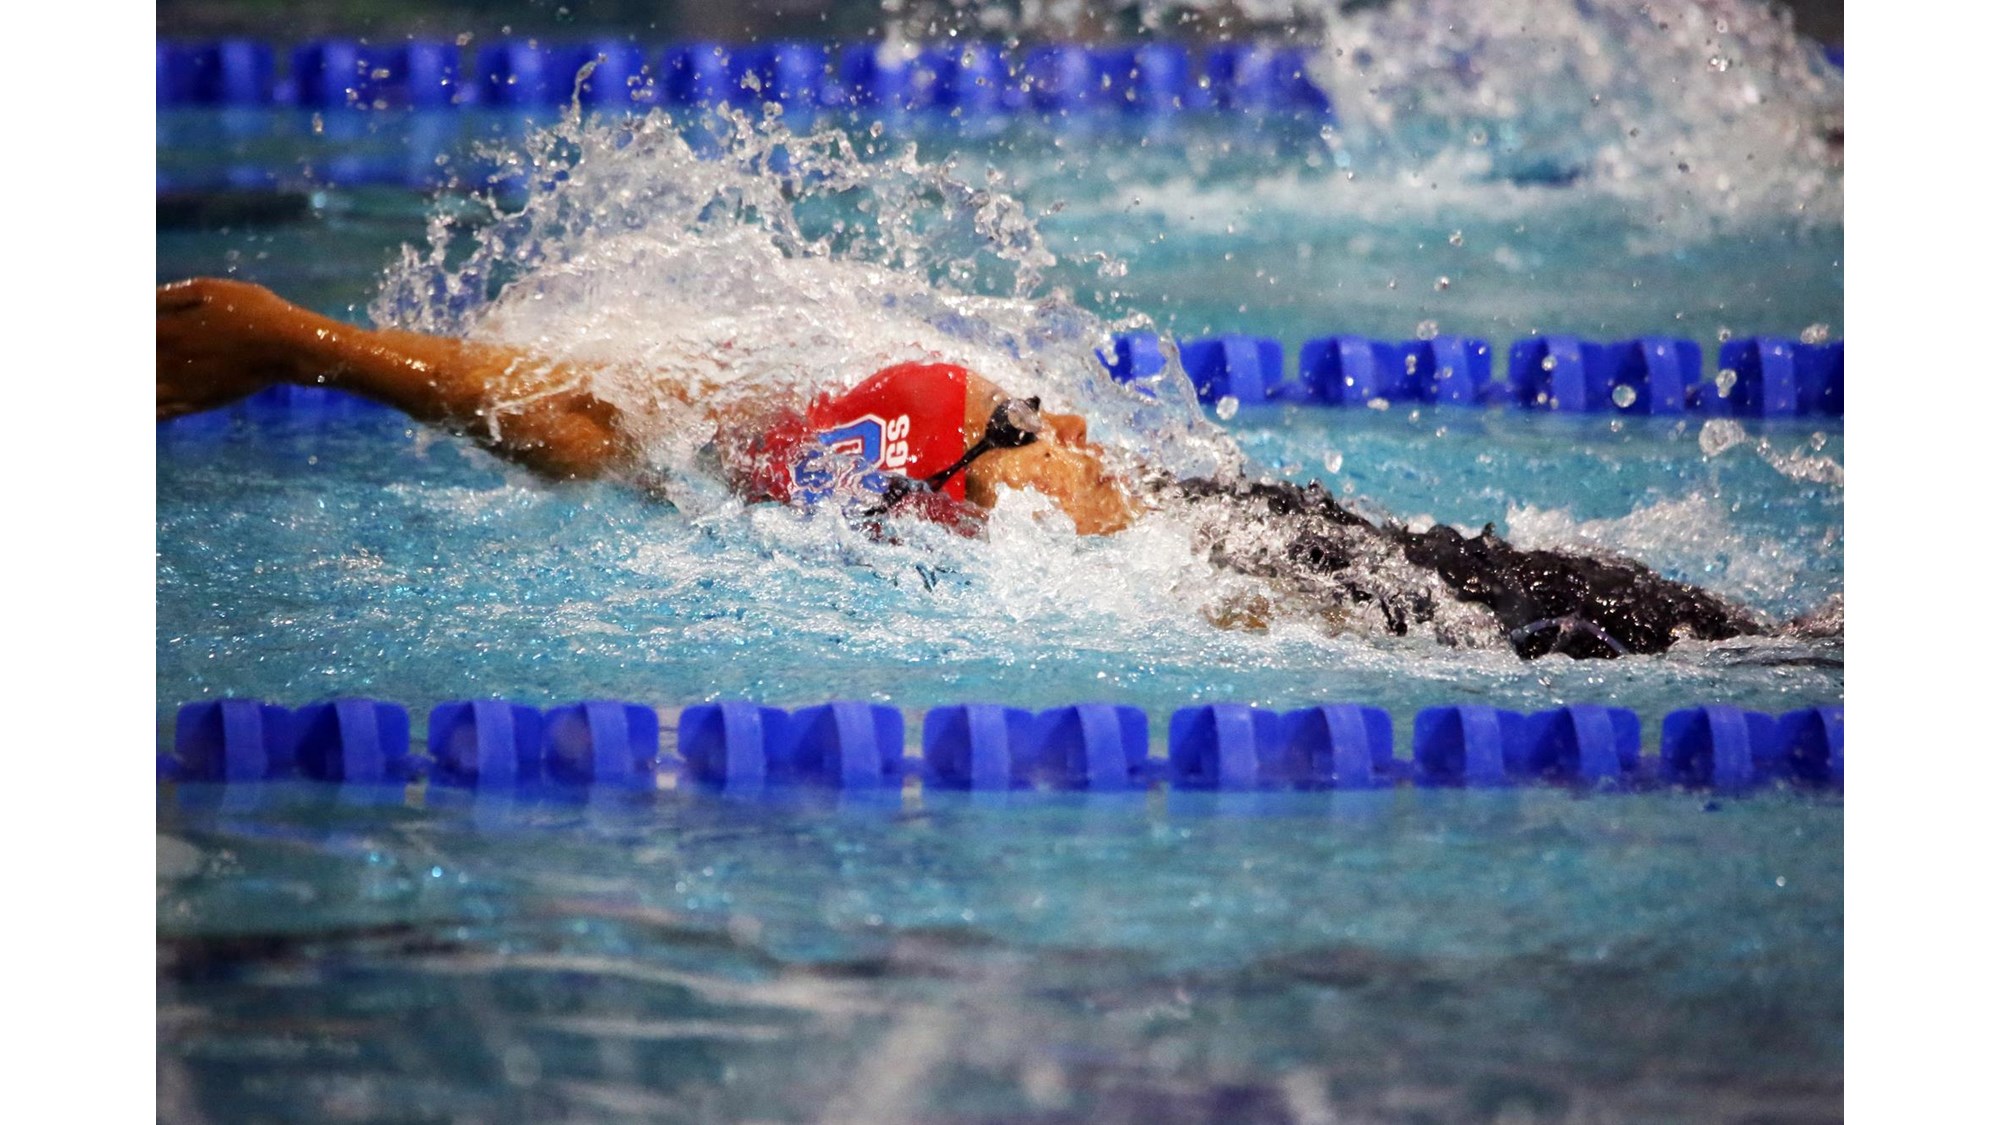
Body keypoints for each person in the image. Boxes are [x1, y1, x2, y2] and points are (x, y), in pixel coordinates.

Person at [158, 276, 1765, 659]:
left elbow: (600, 418)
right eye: (1021, 429)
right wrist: (309, 349)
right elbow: (597, 427)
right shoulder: (1169, 581)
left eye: (1038, 416)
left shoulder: (844, 495)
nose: (1066, 427)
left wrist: (313, 345)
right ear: (966, 494)